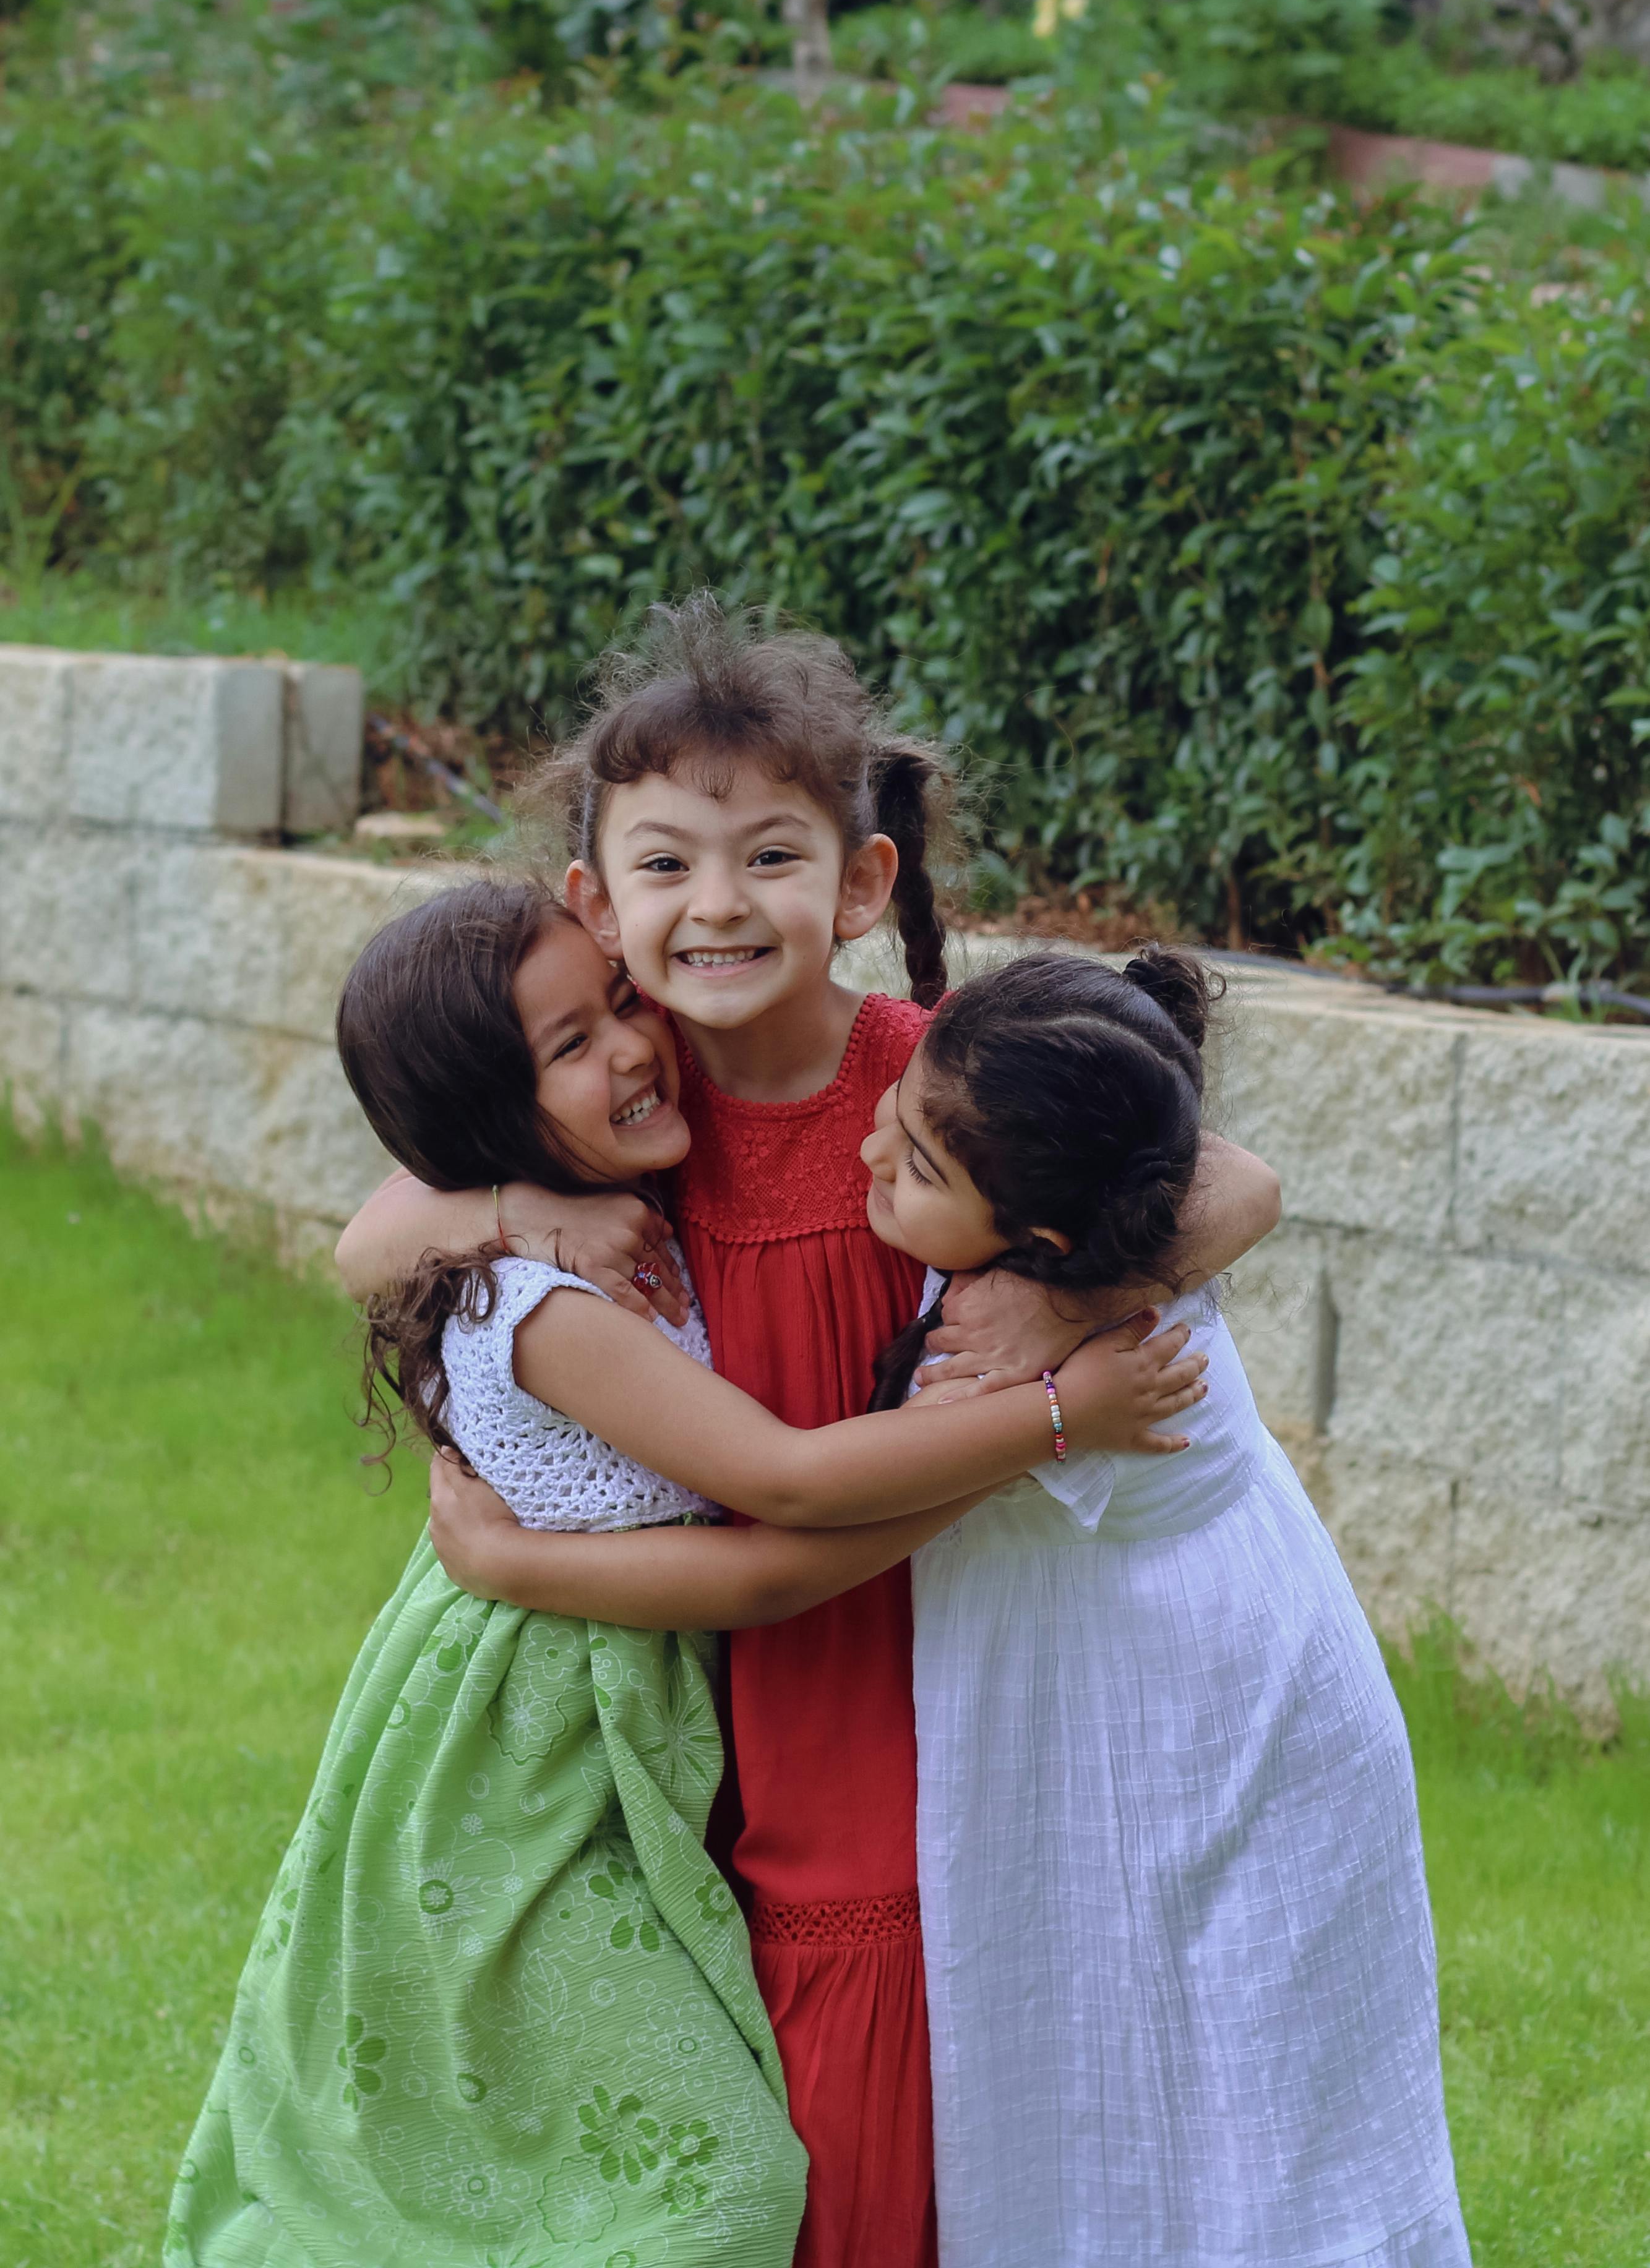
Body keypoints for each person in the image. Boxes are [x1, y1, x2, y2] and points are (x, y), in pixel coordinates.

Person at [336, 598, 1280, 2268]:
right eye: (666, 867)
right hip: (741, 1658)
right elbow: (364, 1245)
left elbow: (1234, 1181)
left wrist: (1059, 1309)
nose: (715, 906)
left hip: (926, 1636)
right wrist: (499, 1206)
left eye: (769, 856)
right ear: (595, 902)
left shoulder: (928, 1075)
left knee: (919, 2034)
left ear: (859, 884)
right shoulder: (616, 1120)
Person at [169, 877, 1206, 2267]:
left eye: (613, 1003)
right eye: (571, 1043)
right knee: (682, 2186)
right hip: (535, 1750)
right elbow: (774, 1505)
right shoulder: (539, 1300)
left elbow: (1233, 1175)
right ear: (484, 1115)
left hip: (623, 1710)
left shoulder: (641, 1151)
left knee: (591, 2155)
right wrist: (1054, 1420)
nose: (631, 1041)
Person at [868, 948, 1471, 2268]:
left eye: (912, 1162)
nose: (872, 1150)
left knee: (1279, 2112)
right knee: (1072, 2097)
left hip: (1241, 1714)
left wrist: (1062, 1317)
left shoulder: (1018, 1320)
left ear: (1044, 1231)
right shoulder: (1022, 1137)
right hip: (1062, 1702)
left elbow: (1242, 1176)